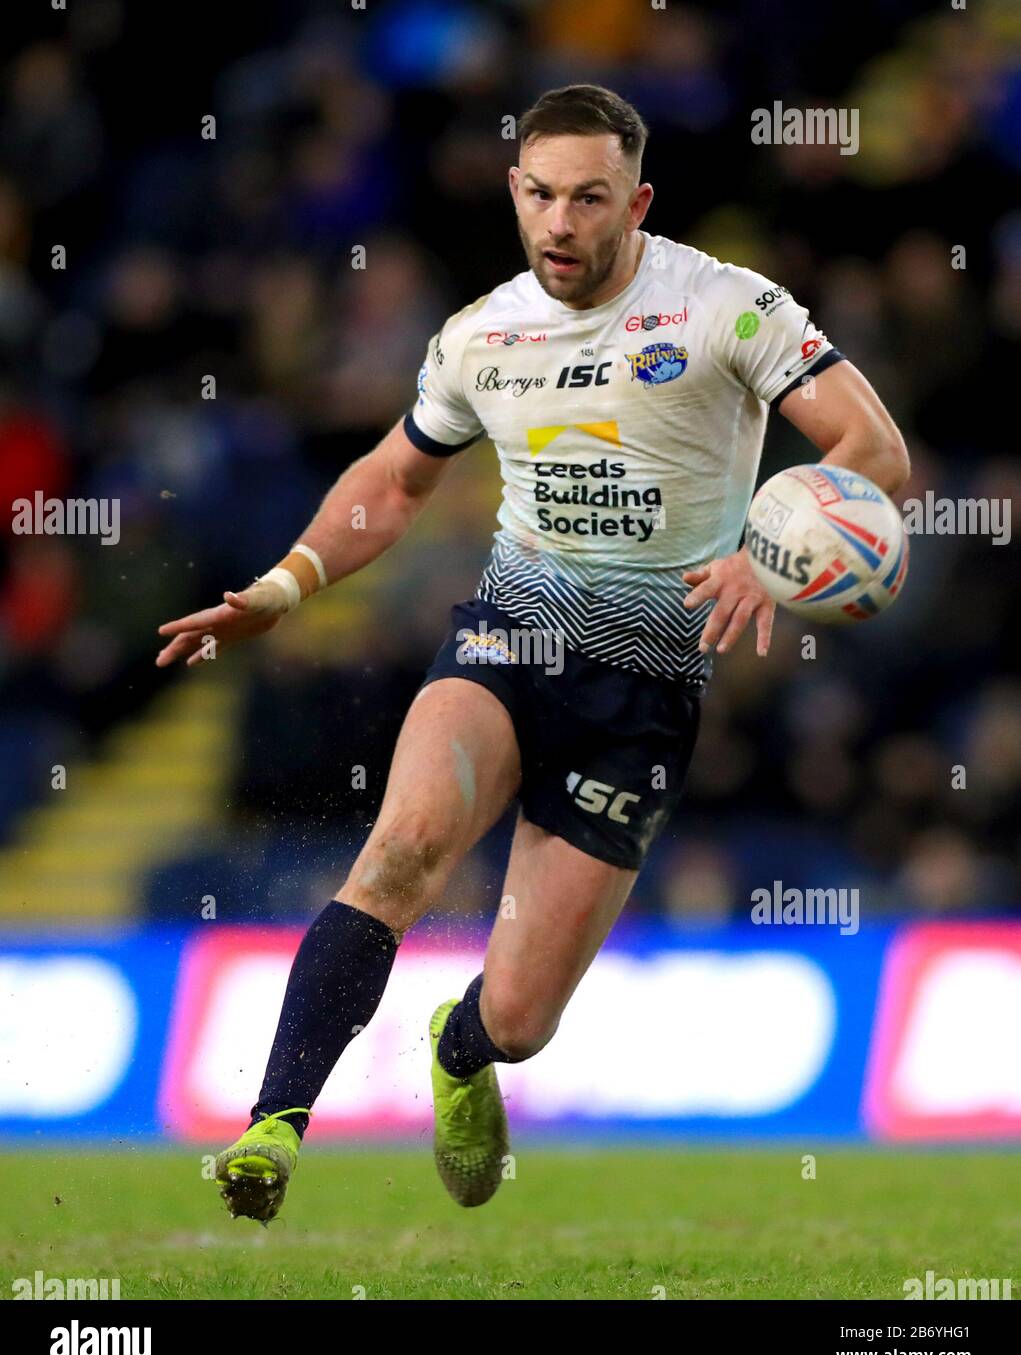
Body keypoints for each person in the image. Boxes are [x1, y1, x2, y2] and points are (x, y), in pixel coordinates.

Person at [156, 84, 910, 1220]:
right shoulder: (480, 334)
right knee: (402, 847)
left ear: (637, 201)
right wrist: (284, 583)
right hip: (507, 640)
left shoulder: (729, 308)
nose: (560, 222)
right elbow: (394, 478)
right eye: (542, 195)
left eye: (589, 198)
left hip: (645, 694)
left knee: (520, 1019)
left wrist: (768, 548)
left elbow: (875, 447)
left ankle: (458, 1048)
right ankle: (272, 1128)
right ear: (516, 192)